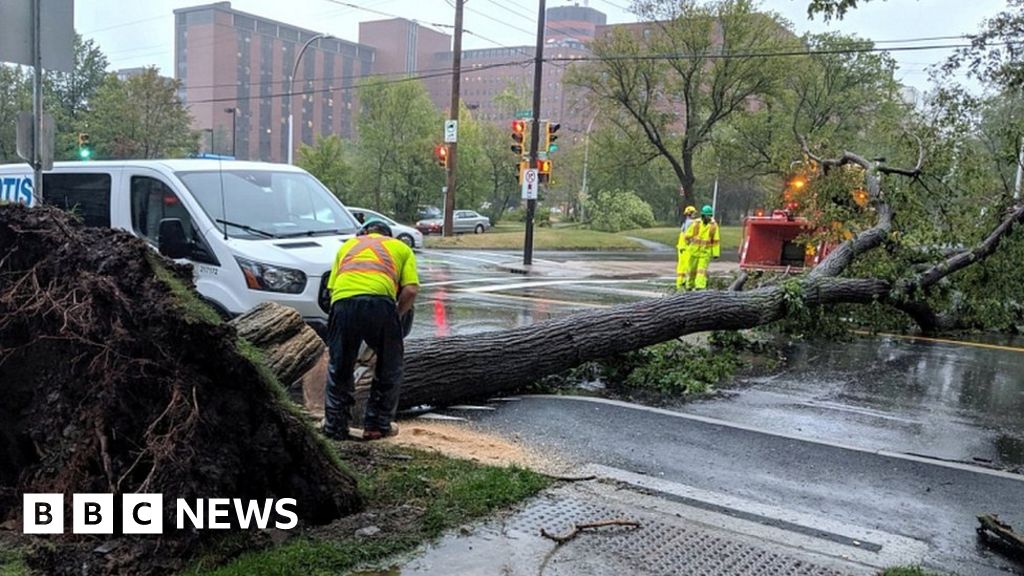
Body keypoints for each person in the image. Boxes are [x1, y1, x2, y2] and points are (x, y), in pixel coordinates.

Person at [322, 217, 419, 441]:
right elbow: (410, 291)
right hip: (380, 303)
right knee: (389, 366)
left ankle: (335, 426)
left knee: (340, 366)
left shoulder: (347, 247)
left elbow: (332, 289)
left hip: (343, 303)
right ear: (388, 235)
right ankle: (377, 426)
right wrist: (396, 315)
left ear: (363, 233)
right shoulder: (401, 247)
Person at [684, 205, 720, 290]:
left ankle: (700, 287)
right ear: (703, 215)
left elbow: (716, 241)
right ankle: (689, 286)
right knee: (691, 270)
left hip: (705, 253)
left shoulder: (713, 226)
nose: (708, 218)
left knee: (701, 271)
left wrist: (716, 253)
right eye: (707, 216)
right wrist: (687, 242)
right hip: (693, 252)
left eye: (710, 216)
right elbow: (687, 235)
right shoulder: (696, 223)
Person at [676, 205, 698, 290]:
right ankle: (685, 284)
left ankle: (680, 284)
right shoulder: (691, 223)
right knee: (686, 266)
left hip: (682, 247)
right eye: (693, 213)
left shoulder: (686, 222)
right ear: (689, 213)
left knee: (682, 266)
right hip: (685, 248)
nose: (695, 214)